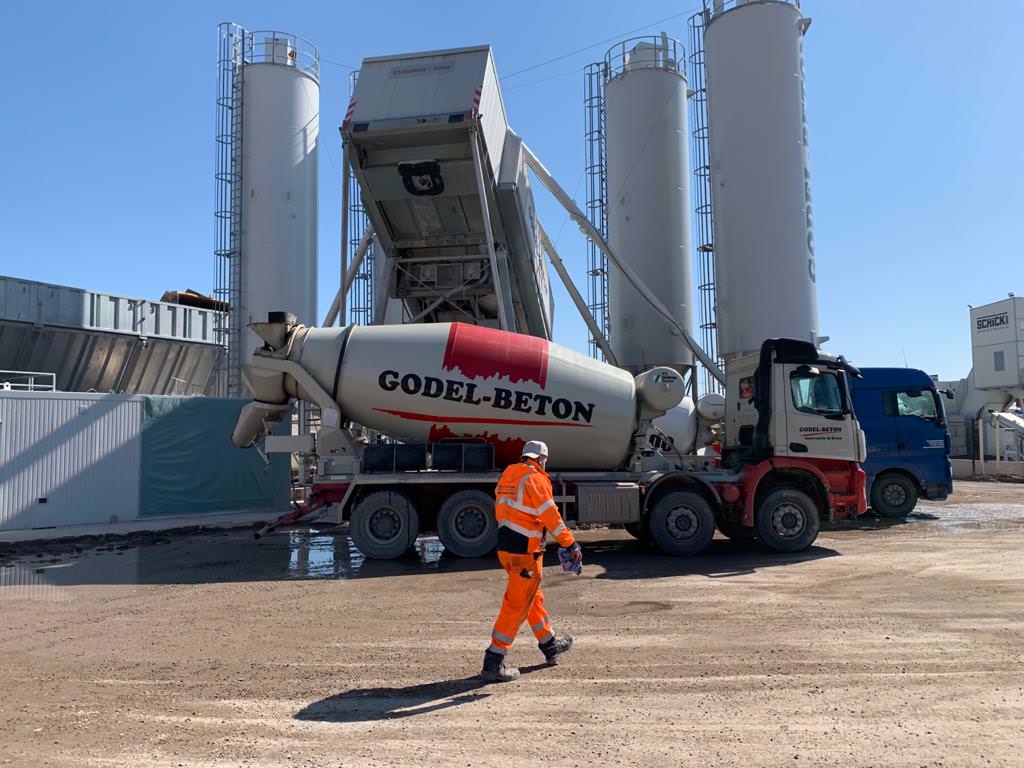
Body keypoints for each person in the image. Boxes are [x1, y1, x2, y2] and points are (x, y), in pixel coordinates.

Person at [481, 440, 582, 683]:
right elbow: (551, 516)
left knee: (530, 597)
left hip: (505, 547)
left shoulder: (509, 473)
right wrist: (570, 543)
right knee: (516, 605)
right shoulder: (536, 478)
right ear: (542, 459)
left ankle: (550, 646)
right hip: (526, 550)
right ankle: (493, 661)